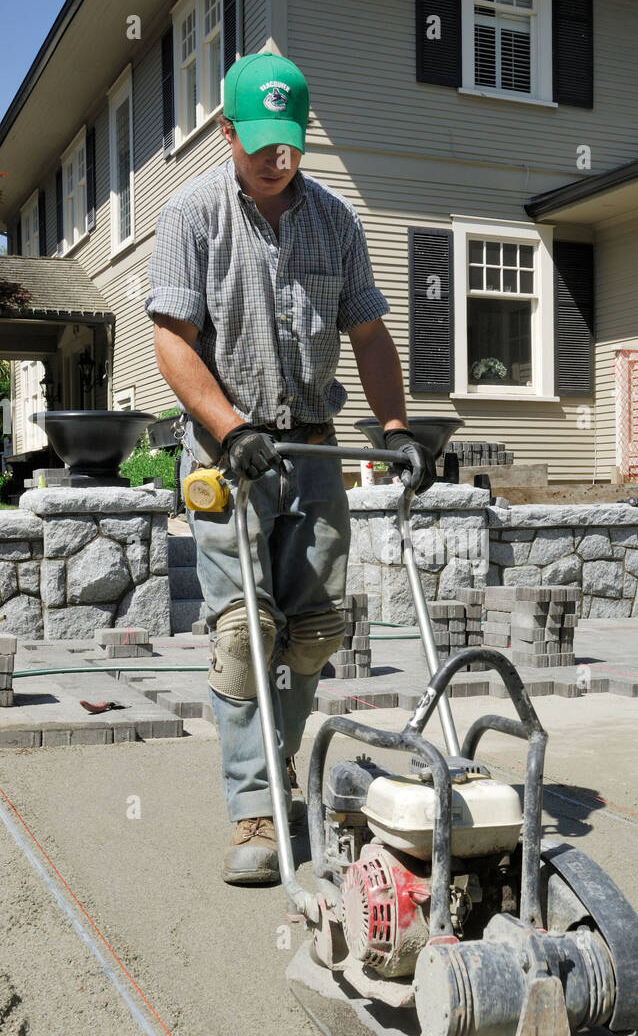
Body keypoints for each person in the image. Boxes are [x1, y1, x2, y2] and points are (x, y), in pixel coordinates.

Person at [144, 51, 435, 886]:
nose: (280, 158)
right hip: (228, 449)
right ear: (228, 131)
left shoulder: (336, 220)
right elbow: (172, 336)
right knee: (242, 634)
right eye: (263, 141)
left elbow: (370, 334)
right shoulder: (193, 214)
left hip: (313, 447)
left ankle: (281, 762)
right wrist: (230, 427)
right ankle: (253, 809)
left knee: (312, 633)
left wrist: (396, 428)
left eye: (291, 142)